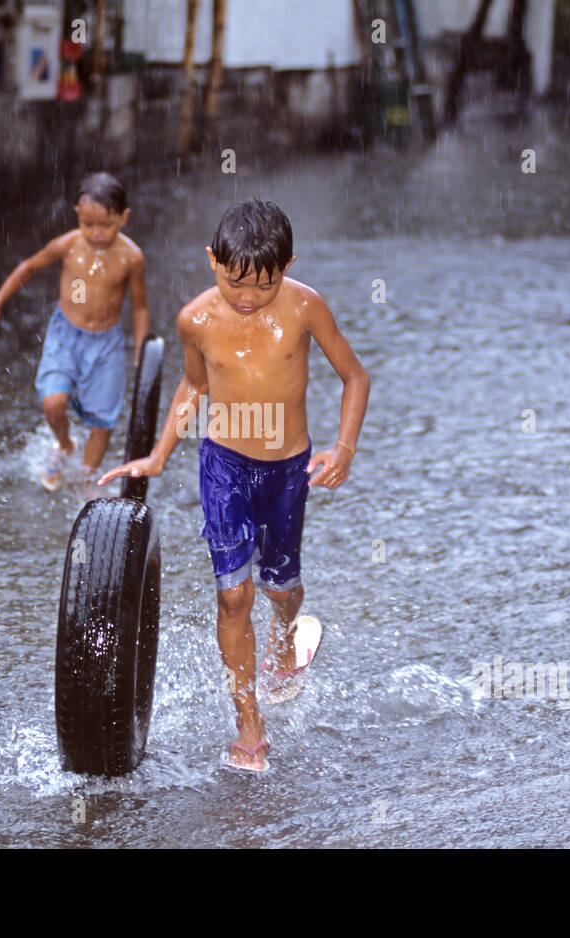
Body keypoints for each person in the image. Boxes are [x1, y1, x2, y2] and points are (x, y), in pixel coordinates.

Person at [99, 200, 369, 771]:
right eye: (233, 282)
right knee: (233, 593)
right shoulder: (195, 318)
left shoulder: (304, 307)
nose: (247, 297)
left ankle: (287, 629)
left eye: (264, 285)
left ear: (288, 265)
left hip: (287, 468)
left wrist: (343, 448)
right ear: (212, 261)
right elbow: (194, 388)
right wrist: (158, 455)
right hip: (223, 463)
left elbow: (354, 375)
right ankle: (249, 724)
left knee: (279, 588)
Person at [0, 172, 150, 488]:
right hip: (66, 336)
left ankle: (85, 481)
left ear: (124, 217)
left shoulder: (131, 257)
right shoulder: (68, 245)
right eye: (88, 224)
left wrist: (141, 348)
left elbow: (139, 306)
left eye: (105, 225)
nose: (96, 233)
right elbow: (29, 267)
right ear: (77, 215)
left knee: (102, 421)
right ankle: (65, 445)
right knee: (53, 402)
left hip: (106, 343)